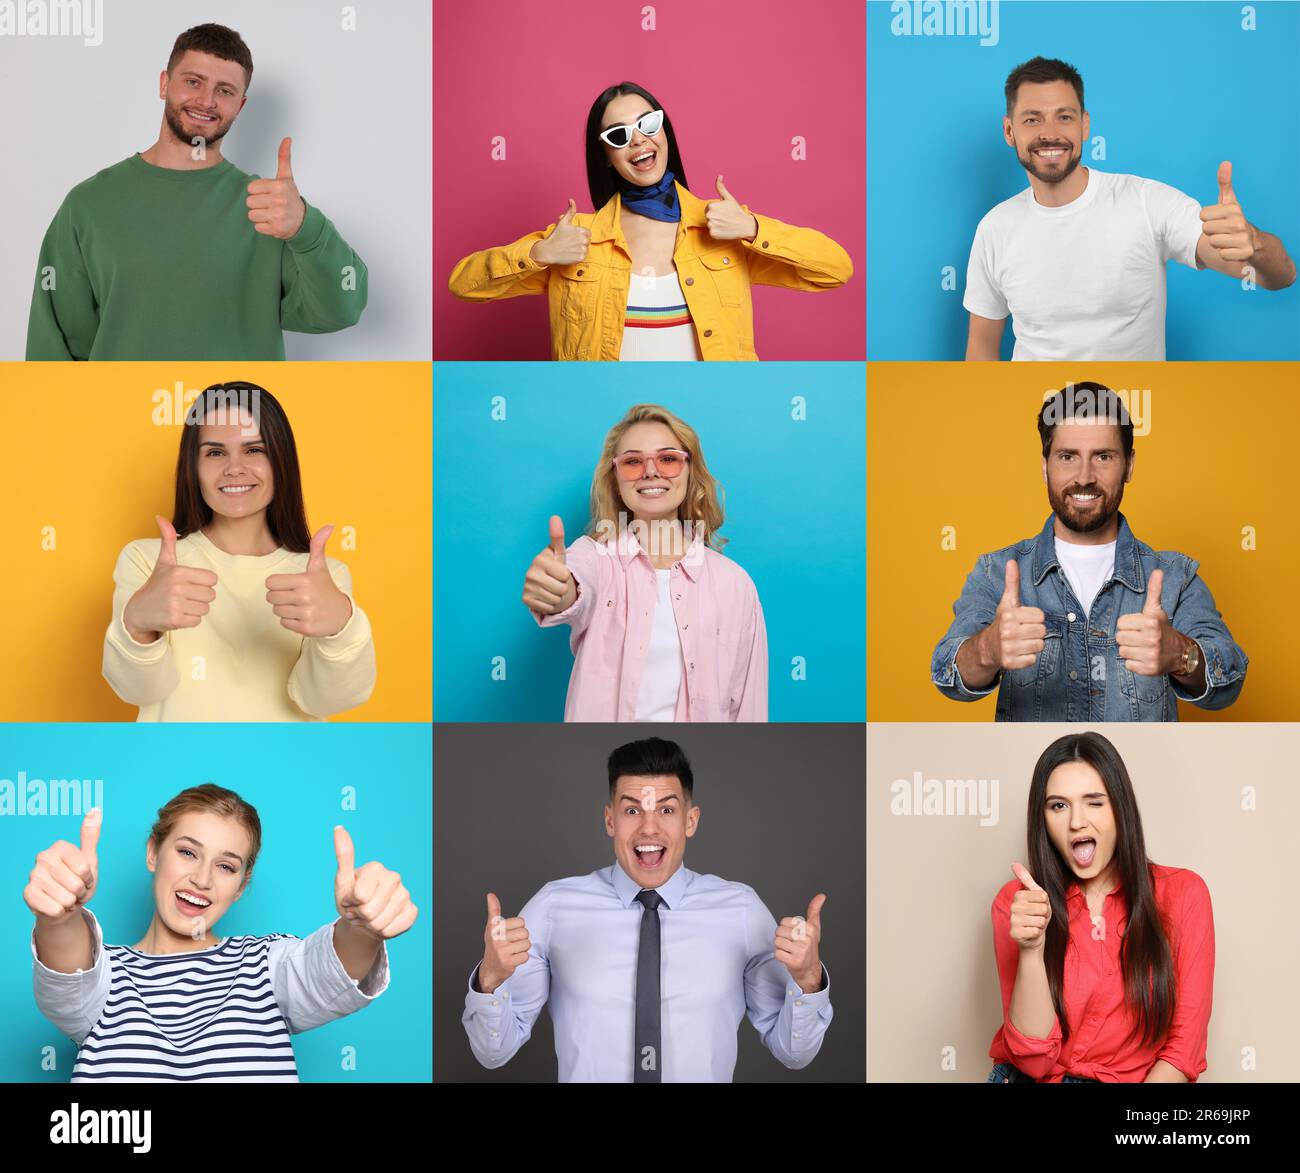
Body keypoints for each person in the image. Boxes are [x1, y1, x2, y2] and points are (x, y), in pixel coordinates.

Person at [461, 737, 831, 1082]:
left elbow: (793, 1054)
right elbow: (494, 1054)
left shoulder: (742, 910)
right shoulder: (553, 907)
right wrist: (490, 979)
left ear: (691, 820)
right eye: (632, 810)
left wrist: (808, 979)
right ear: (610, 820)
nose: (648, 828)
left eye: (666, 809)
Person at [26, 784, 418, 1081]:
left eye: (226, 867)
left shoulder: (267, 964)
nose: (201, 879)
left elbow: (331, 968)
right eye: (187, 852)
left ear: (241, 886)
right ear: (152, 853)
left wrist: (362, 928)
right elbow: (70, 977)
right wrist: (60, 915)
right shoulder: (105, 975)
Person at [26, 23, 367, 360]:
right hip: (123, 414)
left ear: (241, 105)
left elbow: (342, 308)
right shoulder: (89, 205)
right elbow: (54, 353)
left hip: (239, 414)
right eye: (193, 82)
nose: (206, 101)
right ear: (164, 84)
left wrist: (305, 228)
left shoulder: (269, 210)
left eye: (225, 91)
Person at [448, 81, 852, 360]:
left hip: (713, 407)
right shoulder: (577, 240)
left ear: (664, 131)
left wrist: (753, 229)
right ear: (605, 155)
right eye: (618, 135)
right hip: (607, 412)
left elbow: (835, 269)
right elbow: (463, 285)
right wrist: (539, 253)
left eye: (647, 124)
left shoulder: (723, 229)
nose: (638, 139)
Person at [931, 381, 1246, 720]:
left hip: (1139, 773)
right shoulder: (997, 571)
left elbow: (1229, 682)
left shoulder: (1176, 576)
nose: (1084, 477)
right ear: (1045, 465)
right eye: (1067, 457)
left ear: (1129, 466)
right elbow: (947, 673)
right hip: (1035, 773)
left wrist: (1181, 655)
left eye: (1103, 457)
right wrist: (987, 650)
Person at [964, 56, 1295, 361]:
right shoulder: (995, 229)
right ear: (1010, 131)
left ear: (1085, 125)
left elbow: (1281, 277)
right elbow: (981, 349)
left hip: (1133, 417)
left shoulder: (1147, 203)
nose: (1050, 134)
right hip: (1039, 418)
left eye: (1064, 117)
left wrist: (1254, 243)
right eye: (1032, 119)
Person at [102, 382, 376, 721]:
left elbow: (324, 701)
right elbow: (140, 691)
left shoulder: (322, 576)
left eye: (254, 450)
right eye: (215, 452)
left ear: (281, 461)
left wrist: (341, 628)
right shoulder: (145, 561)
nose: (234, 468)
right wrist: (137, 625)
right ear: (194, 467)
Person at [988, 732, 1213, 1082]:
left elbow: (1183, 1051)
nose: (1077, 821)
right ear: (1042, 819)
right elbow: (1033, 1062)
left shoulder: (1184, 894)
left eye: (1094, 802)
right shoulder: (1018, 904)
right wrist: (1032, 950)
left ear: (1120, 809)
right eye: (1058, 805)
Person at [522, 403, 766, 721]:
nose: (651, 471)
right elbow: (575, 583)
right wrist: (557, 588)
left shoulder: (736, 584)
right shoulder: (594, 558)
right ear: (616, 478)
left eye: (668, 459)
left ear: (691, 470)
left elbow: (751, 709)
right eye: (633, 462)